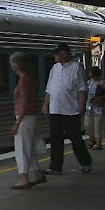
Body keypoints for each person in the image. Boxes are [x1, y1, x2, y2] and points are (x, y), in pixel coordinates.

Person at [42, 43, 92, 175]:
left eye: (56, 54)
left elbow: (82, 88)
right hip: (55, 109)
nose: (55, 56)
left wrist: (81, 107)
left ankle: (86, 162)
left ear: (64, 54)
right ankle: (55, 166)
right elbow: (49, 88)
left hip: (71, 110)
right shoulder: (55, 68)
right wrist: (45, 104)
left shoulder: (77, 67)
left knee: (75, 137)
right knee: (55, 139)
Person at [9, 52, 47, 190]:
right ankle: (38, 174)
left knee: (22, 149)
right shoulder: (31, 78)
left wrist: (17, 123)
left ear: (15, 65)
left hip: (24, 119)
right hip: (30, 118)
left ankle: (25, 179)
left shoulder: (24, 80)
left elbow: (25, 103)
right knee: (28, 149)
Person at [83, 65, 105, 149]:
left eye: (91, 73)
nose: (90, 75)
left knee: (98, 126)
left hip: (100, 108)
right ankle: (91, 140)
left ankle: (98, 143)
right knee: (88, 125)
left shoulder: (102, 83)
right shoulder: (89, 83)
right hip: (89, 108)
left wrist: (100, 98)